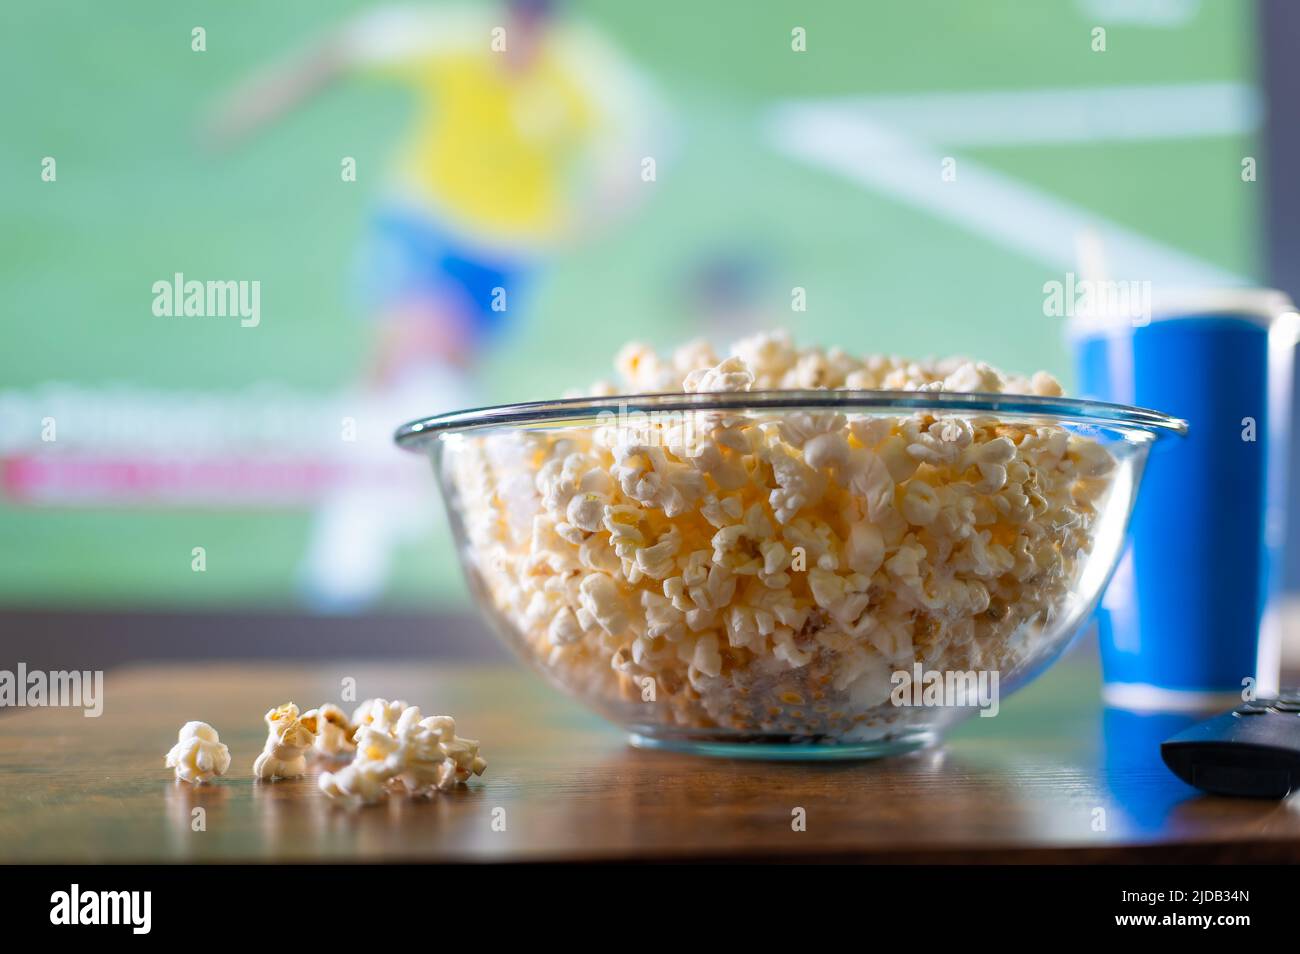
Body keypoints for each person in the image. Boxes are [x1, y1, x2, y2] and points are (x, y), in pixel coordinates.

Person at [208, 0, 664, 609]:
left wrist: (607, 198)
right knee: (405, 346)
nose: (516, 47)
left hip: (507, 251)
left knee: (442, 377)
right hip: (426, 222)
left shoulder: (580, 70)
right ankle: (342, 560)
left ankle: (391, 498)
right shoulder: (451, 42)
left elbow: (640, 136)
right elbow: (348, 48)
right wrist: (265, 97)